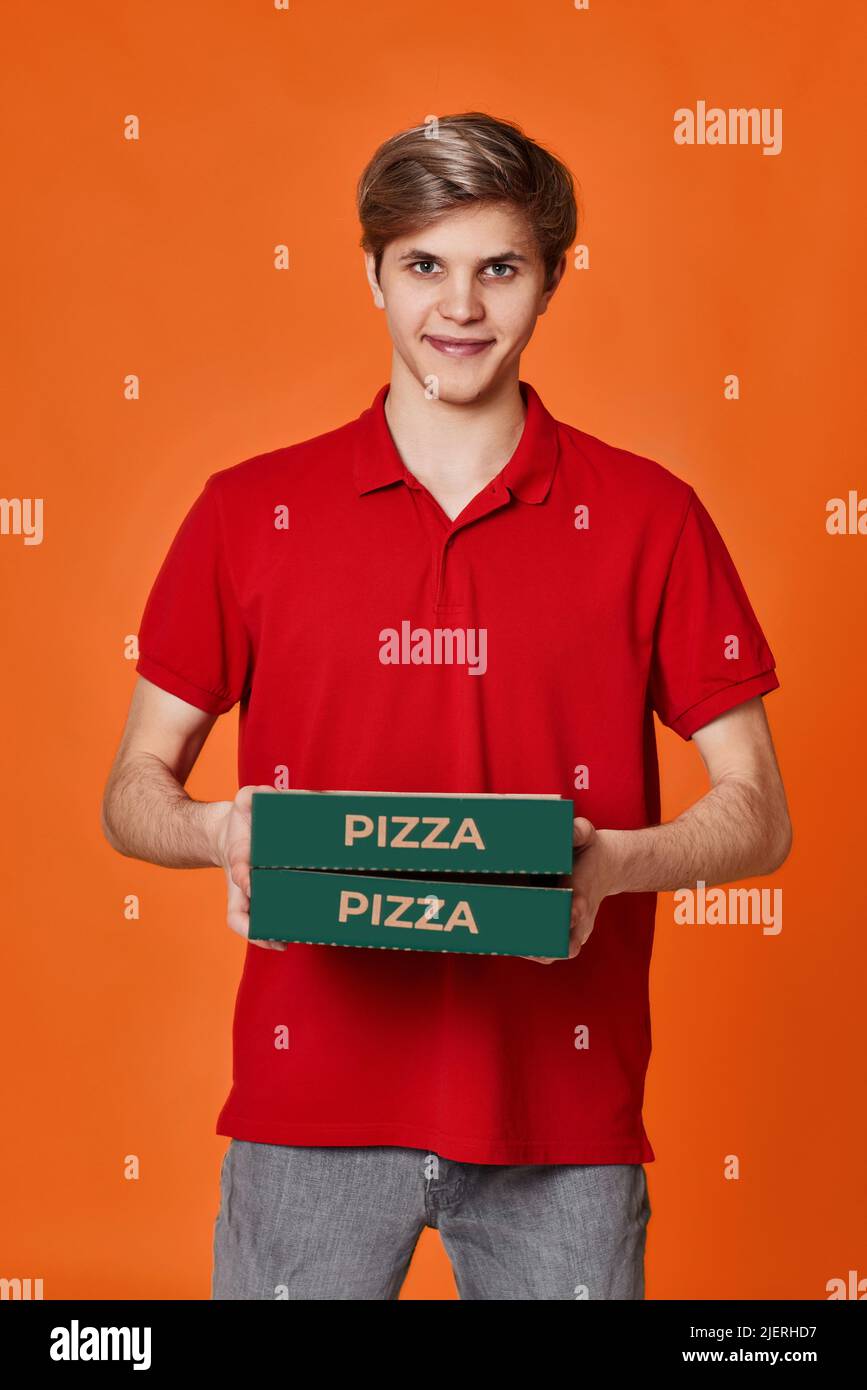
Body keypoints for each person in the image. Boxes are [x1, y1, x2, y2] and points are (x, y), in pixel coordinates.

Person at [101, 111, 792, 1301]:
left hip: (562, 1123)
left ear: (549, 283)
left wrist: (616, 864)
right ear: (370, 271)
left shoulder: (649, 517)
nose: (460, 307)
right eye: (425, 264)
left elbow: (761, 814)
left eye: (499, 268)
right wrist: (219, 830)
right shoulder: (247, 513)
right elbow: (131, 791)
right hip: (305, 1113)